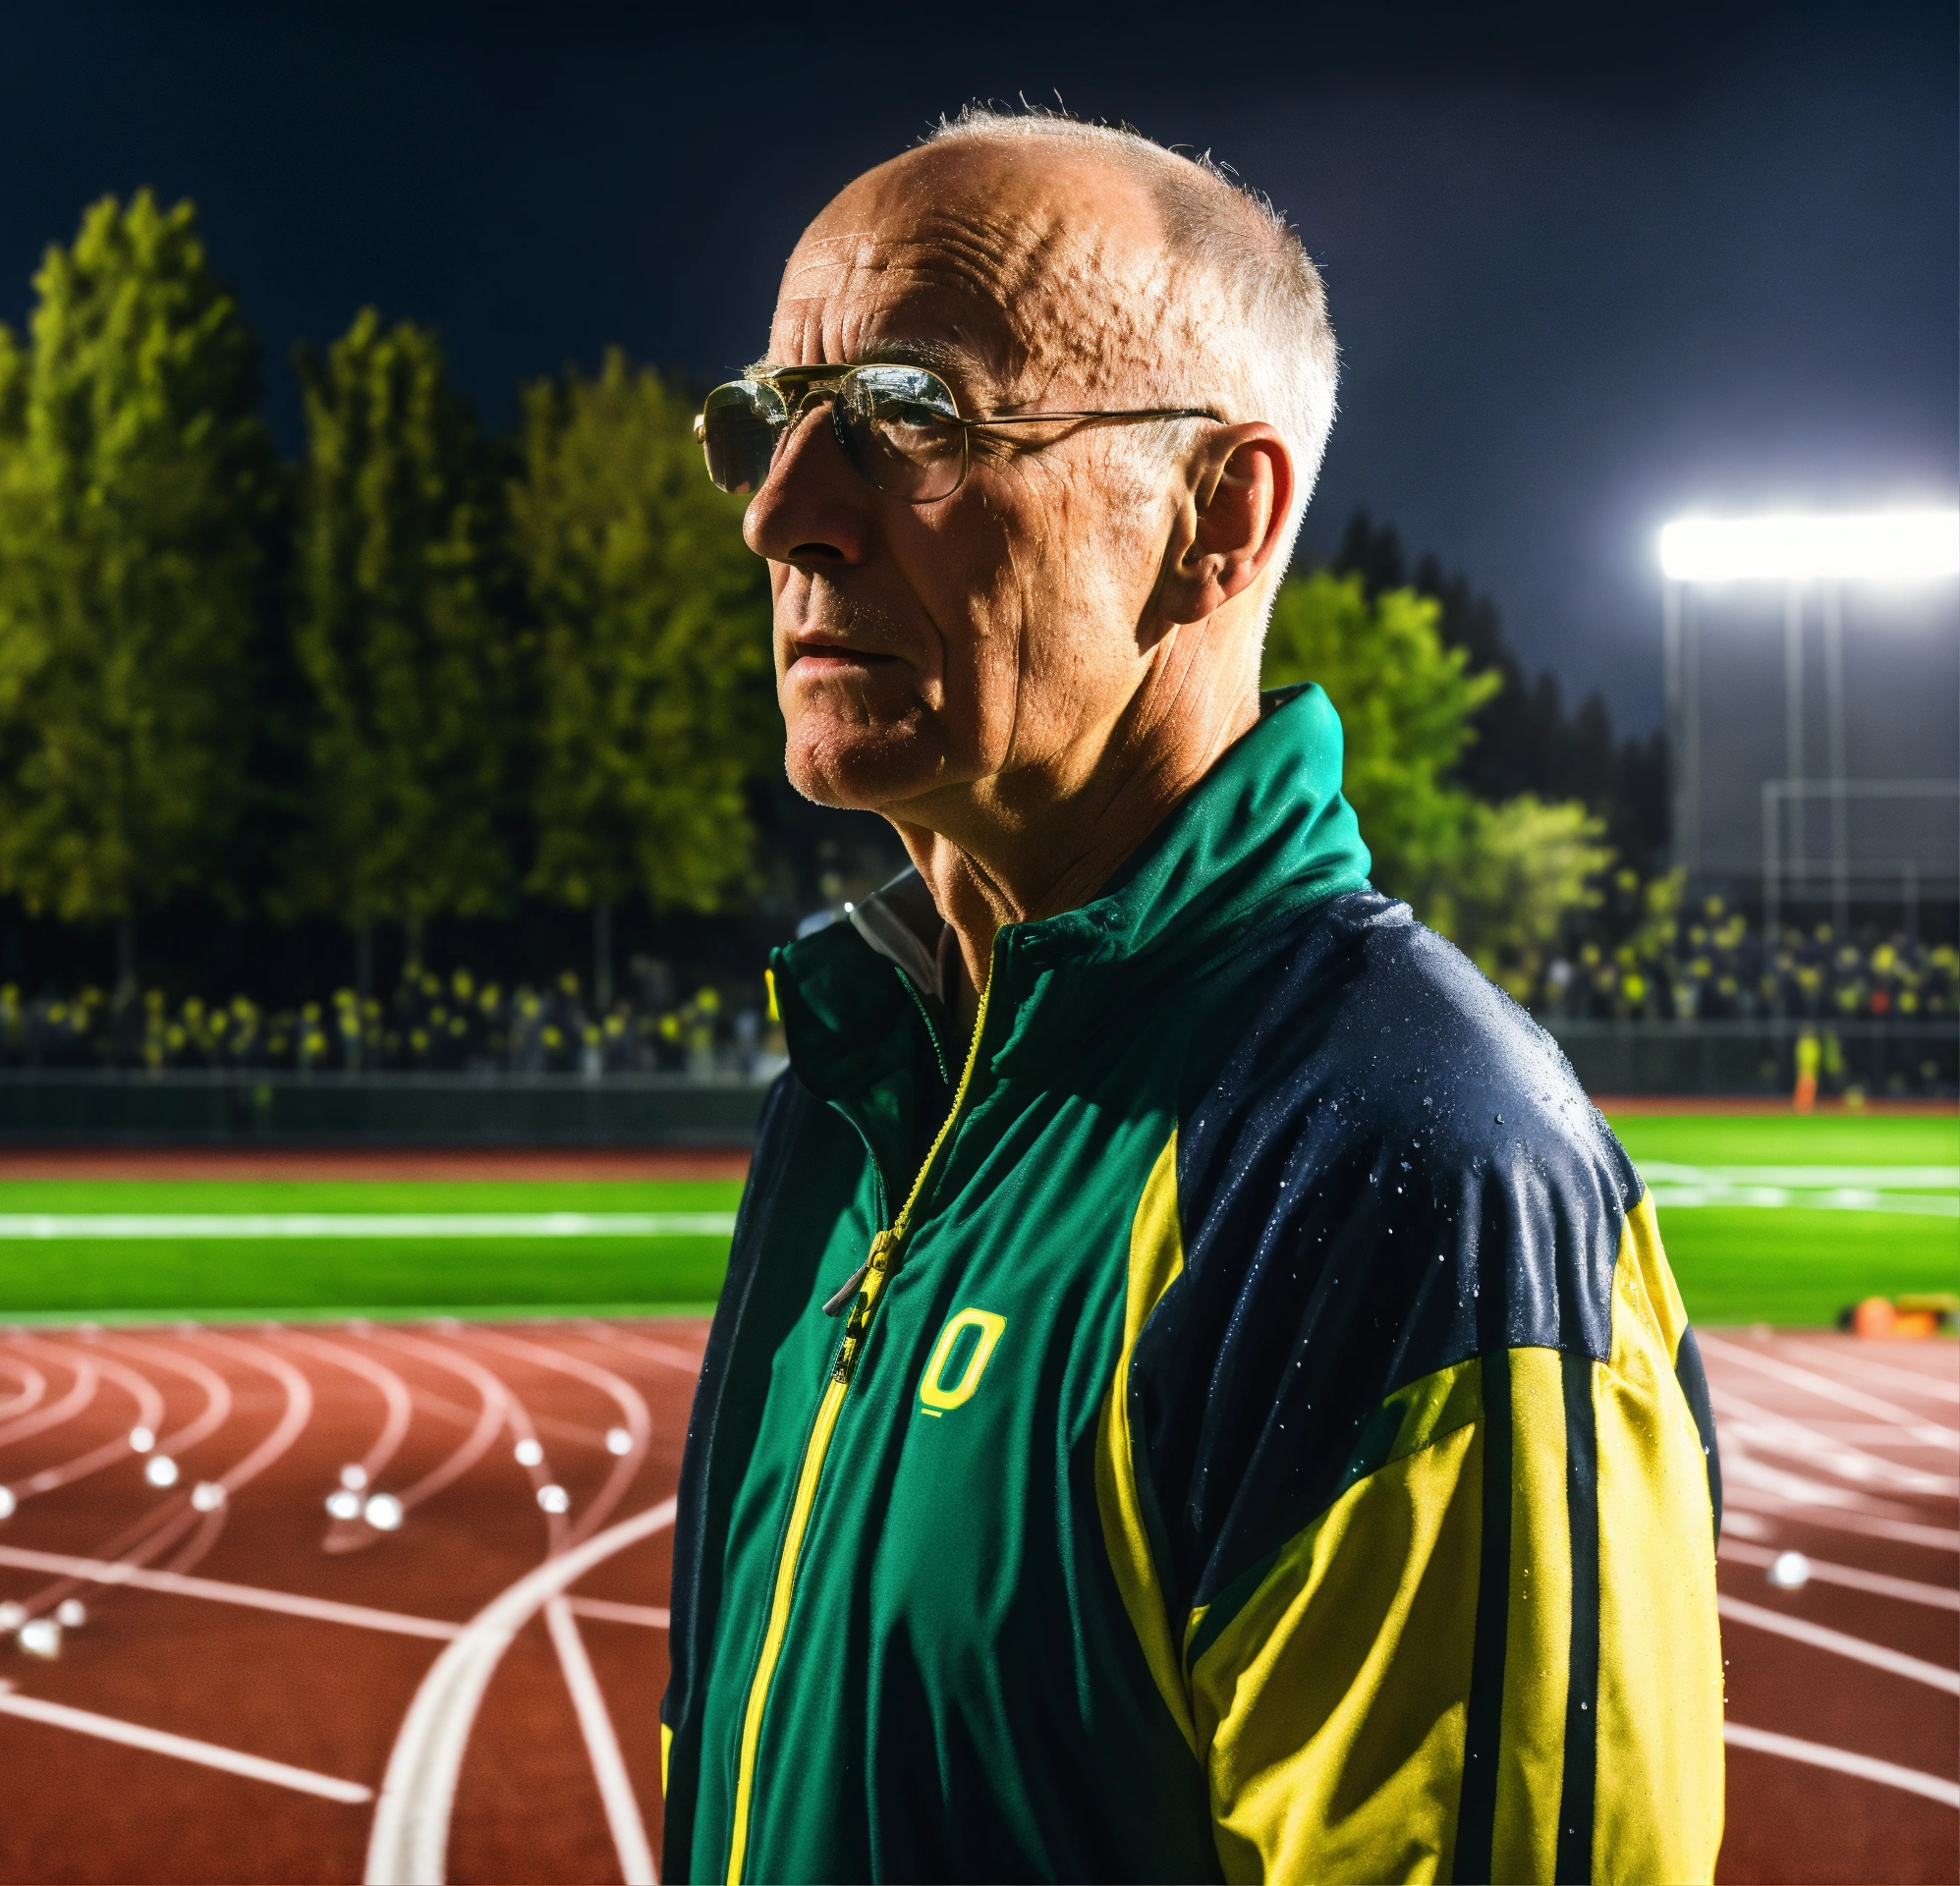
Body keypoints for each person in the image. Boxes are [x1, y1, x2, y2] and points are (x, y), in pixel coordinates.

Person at [662, 108, 1723, 1885]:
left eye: (911, 415)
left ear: (1218, 519)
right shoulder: (861, 1097)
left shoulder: (1419, 1168)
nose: (786, 514)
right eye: (766, 423)